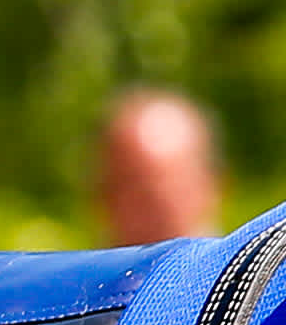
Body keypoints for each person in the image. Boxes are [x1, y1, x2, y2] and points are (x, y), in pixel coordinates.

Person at [95, 85, 225, 245]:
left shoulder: (249, 266)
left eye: (174, 183)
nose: (150, 209)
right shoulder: (83, 269)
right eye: (132, 184)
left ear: (212, 184)